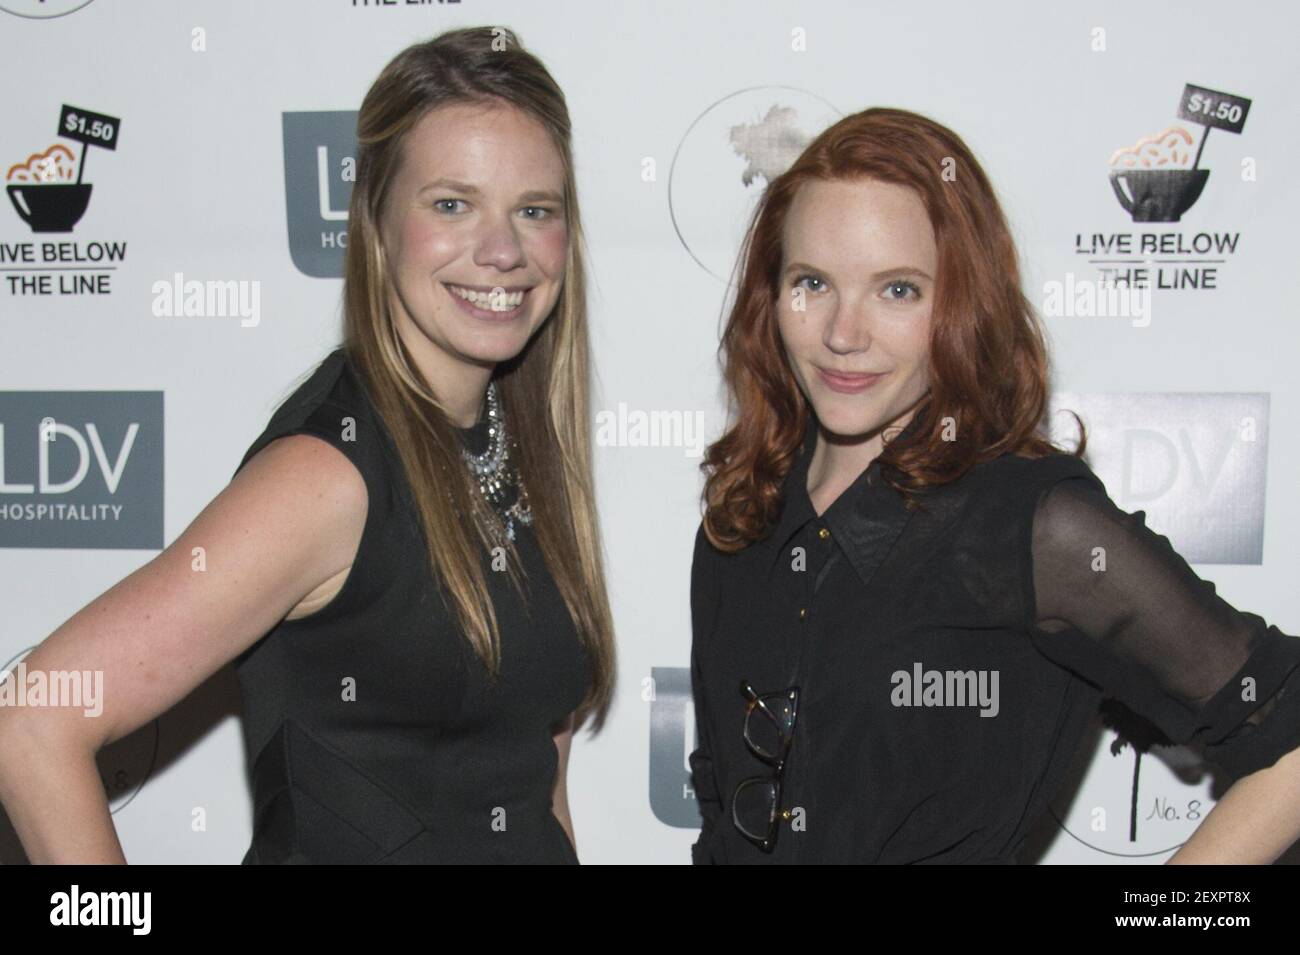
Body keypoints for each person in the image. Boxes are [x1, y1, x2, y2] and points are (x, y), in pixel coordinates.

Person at [0, 26, 615, 864]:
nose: (502, 250)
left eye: (534, 210)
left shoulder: (520, 443)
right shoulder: (327, 476)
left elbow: (531, 776)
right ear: (375, 222)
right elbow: (32, 722)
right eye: (451, 204)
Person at [688, 107, 1300, 864]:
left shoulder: (1031, 526)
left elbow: (1286, 732)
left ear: (963, 303)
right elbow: (721, 800)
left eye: (898, 290)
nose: (844, 333)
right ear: (771, 294)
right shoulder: (743, 514)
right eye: (812, 282)